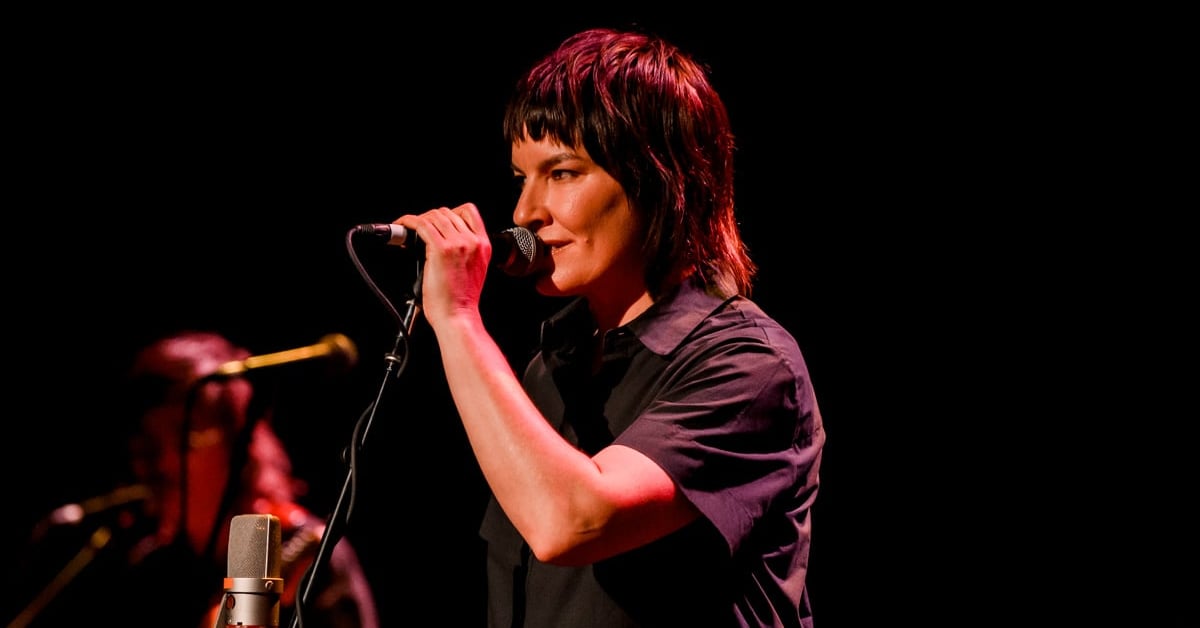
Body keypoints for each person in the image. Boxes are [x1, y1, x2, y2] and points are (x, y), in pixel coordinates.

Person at [390, 27, 825, 627]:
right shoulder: (552, 365)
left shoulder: (749, 366)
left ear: (664, 178)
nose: (524, 214)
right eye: (522, 178)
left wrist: (459, 318)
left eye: (563, 173)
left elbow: (571, 520)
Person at [7, 331, 380, 628]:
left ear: (239, 444)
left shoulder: (308, 555)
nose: (155, 462)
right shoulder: (151, 569)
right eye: (146, 443)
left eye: (181, 439)